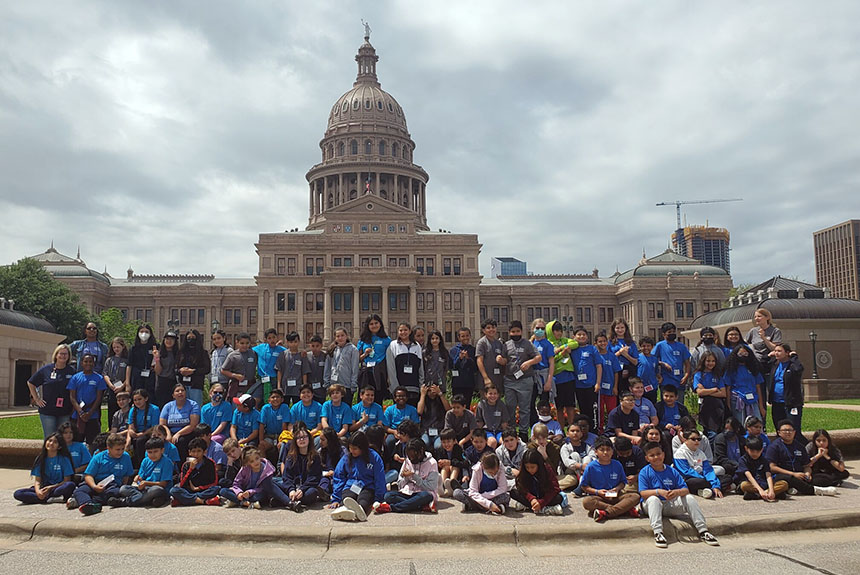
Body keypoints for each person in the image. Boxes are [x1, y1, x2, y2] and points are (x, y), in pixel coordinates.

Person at [638, 441, 719, 548]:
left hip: (669, 504)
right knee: (653, 499)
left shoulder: (672, 471)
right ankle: (658, 533)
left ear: (663, 454)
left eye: (658, 453)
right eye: (652, 455)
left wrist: (676, 492)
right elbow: (643, 493)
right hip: (651, 506)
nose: (656, 457)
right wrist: (658, 492)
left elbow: (685, 490)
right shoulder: (645, 472)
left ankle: (703, 531)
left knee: (689, 498)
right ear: (647, 458)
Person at [67, 433, 134, 515]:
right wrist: (94, 486)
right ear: (108, 448)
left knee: (115, 493)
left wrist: (123, 484)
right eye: (117, 449)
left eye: (122, 449)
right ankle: (87, 504)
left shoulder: (126, 457)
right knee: (80, 491)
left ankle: (86, 501)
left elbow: (127, 475)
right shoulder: (98, 457)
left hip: (112, 485)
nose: (120, 452)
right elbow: (88, 475)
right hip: (96, 482)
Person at [327, 431, 386, 522]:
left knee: (363, 500)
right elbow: (339, 476)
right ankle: (345, 509)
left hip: (367, 487)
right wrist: (336, 498)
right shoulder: (347, 457)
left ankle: (360, 511)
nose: (352, 451)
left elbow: (380, 478)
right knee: (347, 498)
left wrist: (379, 498)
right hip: (351, 486)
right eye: (350, 448)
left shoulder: (374, 457)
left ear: (362, 448)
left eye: (355, 449)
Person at [767, 420, 837, 496]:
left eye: (790, 430)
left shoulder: (800, 446)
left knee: (826, 479)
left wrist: (807, 474)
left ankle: (795, 488)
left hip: (800, 475)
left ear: (794, 432)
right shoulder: (774, 447)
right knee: (789, 479)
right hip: (783, 475)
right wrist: (793, 474)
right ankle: (815, 490)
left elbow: (806, 465)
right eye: (785, 430)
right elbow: (772, 467)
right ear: (779, 432)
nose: (788, 432)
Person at [579, 436, 640, 522]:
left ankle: (605, 513)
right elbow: (584, 486)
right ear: (596, 452)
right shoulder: (591, 467)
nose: (605, 452)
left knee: (635, 496)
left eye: (608, 449)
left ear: (612, 451)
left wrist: (617, 489)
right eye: (602, 449)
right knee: (587, 502)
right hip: (600, 498)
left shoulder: (617, 464)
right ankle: (621, 510)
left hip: (616, 496)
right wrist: (597, 491)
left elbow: (623, 482)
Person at [500, 320, 541, 441]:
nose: (515, 333)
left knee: (524, 408)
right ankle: (512, 432)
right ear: (509, 332)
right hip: (510, 380)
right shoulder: (506, 345)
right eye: (513, 331)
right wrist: (500, 360)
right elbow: (503, 360)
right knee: (510, 407)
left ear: (521, 332)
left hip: (525, 380)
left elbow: (538, 357)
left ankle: (523, 433)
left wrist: (529, 362)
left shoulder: (527, 344)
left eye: (517, 331)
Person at [376, 438, 439, 514]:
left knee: (426, 496)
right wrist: (405, 478)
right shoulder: (407, 461)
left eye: (414, 456)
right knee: (388, 496)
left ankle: (391, 508)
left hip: (422, 494)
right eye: (409, 456)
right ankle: (421, 506)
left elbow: (431, 486)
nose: (411, 459)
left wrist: (413, 476)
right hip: (407, 493)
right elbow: (400, 484)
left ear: (421, 451)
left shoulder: (432, 463)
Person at [270, 422, 323, 511]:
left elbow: (314, 478)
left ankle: (283, 500)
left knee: (313, 493)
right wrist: (291, 490)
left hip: (305, 489)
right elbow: (287, 476)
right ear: (295, 441)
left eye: (304, 437)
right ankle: (290, 501)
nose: (301, 440)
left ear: (309, 439)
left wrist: (302, 490)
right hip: (291, 487)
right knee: (270, 482)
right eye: (298, 438)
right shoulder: (291, 457)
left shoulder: (315, 456)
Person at [108, 437, 172, 507]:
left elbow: (163, 484)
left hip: (158, 488)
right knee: (123, 489)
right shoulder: (145, 461)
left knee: (156, 490)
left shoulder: (167, 462)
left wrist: (146, 483)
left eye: (155, 451)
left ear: (162, 450)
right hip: (144, 489)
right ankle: (147, 500)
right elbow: (140, 478)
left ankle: (124, 501)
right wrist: (138, 480)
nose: (153, 455)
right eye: (150, 452)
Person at [14, 432, 75, 505]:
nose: (51, 443)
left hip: (56, 488)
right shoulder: (41, 458)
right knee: (18, 493)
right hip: (43, 487)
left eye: (55, 442)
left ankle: (42, 498)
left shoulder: (64, 459)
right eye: (49, 441)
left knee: (70, 485)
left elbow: (66, 480)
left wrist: (50, 488)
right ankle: (45, 498)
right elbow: (37, 481)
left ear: (59, 446)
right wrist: (38, 492)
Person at [27, 343, 74, 438]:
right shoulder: (46, 370)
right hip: (48, 411)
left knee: (63, 438)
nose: (63, 356)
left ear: (69, 356)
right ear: (56, 355)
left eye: (65, 354)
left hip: (65, 411)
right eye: (61, 353)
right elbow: (31, 382)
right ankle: (49, 453)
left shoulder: (72, 371)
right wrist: (37, 399)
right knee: (50, 437)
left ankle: (61, 453)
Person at [673, 430, 731, 498]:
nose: (697, 441)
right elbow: (686, 472)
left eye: (699, 439)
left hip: (702, 477)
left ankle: (708, 491)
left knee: (728, 478)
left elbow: (708, 470)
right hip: (689, 479)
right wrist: (706, 479)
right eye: (693, 439)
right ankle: (714, 489)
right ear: (685, 440)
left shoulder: (701, 453)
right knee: (698, 482)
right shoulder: (680, 453)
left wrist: (715, 484)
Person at [508, 448, 564, 515]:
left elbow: (555, 489)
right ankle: (543, 509)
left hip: (544, 496)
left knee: (559, 498)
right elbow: (521, 486)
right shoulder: (524, 471)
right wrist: (531, 499)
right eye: (527, 467)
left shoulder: (547, 469)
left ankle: (534, 507)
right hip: (531, 496)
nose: (530, 470)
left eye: (532, 467)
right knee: (513, 493)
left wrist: (541, 502)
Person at [546, 320, 579, 428]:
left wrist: (560, 348)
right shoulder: (548, 344)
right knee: (559, 407)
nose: (559, 333)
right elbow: (550, 359)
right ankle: (560, 431)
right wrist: (562, 353)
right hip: (556, 378)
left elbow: (575, 343)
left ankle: (572, 428)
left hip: (568, 377)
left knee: (570, 406)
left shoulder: (564, 340)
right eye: (556, 331)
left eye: (560, 331)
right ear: (550, 331)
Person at [66, 354, 106, 445]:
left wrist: (90, 413)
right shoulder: (75, 378)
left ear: (94, 363)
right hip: (77, 415)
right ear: (82, 363)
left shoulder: (99, 378)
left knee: (93, 442)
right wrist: (80, 412)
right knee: (76, 441)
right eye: (86, 361)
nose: (88, 363)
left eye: (90, 361)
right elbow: (72, 397)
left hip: (93, 415)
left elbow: (99, 397)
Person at [169, 437, 221, 506]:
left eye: (199, 451)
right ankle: (204, 501)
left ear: (204, 451)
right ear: (189, 452)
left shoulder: (210, 463)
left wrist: (198, 488)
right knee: (174, 490)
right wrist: (190, 469)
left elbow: (214, 482)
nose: (196, 454)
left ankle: (184, 500)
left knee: (216, 489)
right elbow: (182, 484)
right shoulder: (186, 465)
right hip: (189, 490)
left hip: (203, 490)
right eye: (193, 451)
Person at [746, 307, 782, 407]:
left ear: (767, 317)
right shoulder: (753, 331)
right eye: (755, 317)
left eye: (759, 316)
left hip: (770, 365)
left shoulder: (775, 331)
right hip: (757, 365)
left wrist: (763, 338)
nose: (756, 319)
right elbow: (745, 345)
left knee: (771, 390)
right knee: (759, 391)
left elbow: (775, 348)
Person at [735, 435, 788, 501]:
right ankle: (767, 494)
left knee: (784, 484)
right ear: (746, 449)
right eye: (752, 451)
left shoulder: (764, 460)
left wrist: (771, 490)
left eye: (758, 451)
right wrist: (760, 490)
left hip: (764, 484)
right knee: (744, 485)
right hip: (752, 484)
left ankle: (758, 495)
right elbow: (749, 476)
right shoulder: (743, 460)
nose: (755, 454)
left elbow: (768, 475)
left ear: (762, 449)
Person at [724, 344, 766, 424]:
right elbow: (728, 388)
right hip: (737, 400)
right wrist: (728, 405)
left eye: (745, 354)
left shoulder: (753, 369)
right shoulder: (731, 370)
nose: (743, 356)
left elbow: (758, 387)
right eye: (740, 354)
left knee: (756, 422)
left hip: (753, 399)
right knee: (740, 423)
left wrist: (761, 406)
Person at [570, 325, 602, 431]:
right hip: (578, 385)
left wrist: (598, 383)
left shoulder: (592, 349)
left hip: (591, 384)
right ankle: (584, 430)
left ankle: (593, 430)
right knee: (582, 409)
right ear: (574, 337)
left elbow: (598, 366)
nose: (581, 336)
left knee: (592, 409)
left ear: (587, 337)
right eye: (579, 335)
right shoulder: (572, 350)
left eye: (583, 334)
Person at [159, 382, 201, 459]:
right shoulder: (168, 406)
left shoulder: (193, 405)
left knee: (180, 441)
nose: (180, 392)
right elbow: (162, 424)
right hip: (170, 432)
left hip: (187, 433)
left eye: (182, 390)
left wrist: (178, 434)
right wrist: (168, 434)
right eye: (177, 391)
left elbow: (193, 425)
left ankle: (181, 465)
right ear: (173, 395)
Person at [769, 343, 804, 435]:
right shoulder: (775, 365)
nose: (776, 353)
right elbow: (761, 366)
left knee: (793, 430)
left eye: (779, 351)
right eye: (775, 351)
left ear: (787, 353)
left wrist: (794, 357)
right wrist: (768, 356)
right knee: (779, 430)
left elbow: (798, 369)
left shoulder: (792, 365)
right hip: (777, 403)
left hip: (791, 403)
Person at [387, 322, 424, 406]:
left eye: (405, 330)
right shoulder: (393, 345)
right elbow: (391, 368)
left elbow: (420, 368)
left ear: (410, 331)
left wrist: (421, 385)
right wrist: (395, 388)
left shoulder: (417, 345)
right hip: (399, 389)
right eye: (401, 330)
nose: (403, 332)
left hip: (414, 388)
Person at [356, 314, 391, 404]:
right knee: (364, 398)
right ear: (368, 326)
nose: (374, 325)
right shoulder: (362, 340)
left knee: (378, 398)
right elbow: (357, 359)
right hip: (366, 373)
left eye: (376, 323)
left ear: (380, 324)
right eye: (371, 324)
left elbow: (389, 358)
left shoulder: (386, 340)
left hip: (380, 373)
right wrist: (365, 354)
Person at [692, 351, 726, 442]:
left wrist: (706, 390)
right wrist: (714, 389)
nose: (710, 363)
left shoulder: (718, 375)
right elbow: (699, 392)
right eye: (708, 361)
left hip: (718, 407)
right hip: (705, 407)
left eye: (713, 361)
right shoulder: (698, 375)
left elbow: (723, 393)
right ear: (703, 361)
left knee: (717, 433)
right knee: (709, 433)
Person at [529, 318, 555, 426]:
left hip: (543, 375)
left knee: (544, 403)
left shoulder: (547, 344)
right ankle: (534, 425)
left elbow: (551, 363)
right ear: (533, 329)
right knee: (530, 402)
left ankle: (546, 426)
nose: (540, 330)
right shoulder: (530, 343)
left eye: (542, 328)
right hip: (532, 376)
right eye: (537, 328)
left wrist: (549, 381)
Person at [595, 331, 622, 434]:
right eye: (600, 341)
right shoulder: (595, 355)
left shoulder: (612, 356)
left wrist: (615, 387)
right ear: (596, 343)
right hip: (599, 389)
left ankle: (612, 430)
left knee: (612, 410)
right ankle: (600, 430)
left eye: (604, 341)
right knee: (600, 411)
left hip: (610, 388)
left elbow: (616, 372)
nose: (602, 343)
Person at [126, 388, 160, 466]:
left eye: (139, 399)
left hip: (149, 433)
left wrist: (141, 434)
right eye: (135, 400)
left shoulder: (154, 409)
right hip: (136, 434)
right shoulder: (133, 410)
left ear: (146, 398)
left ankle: (141, 465)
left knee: (140, 441)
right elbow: (130, 427)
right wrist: (128, 440)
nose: (137, 402)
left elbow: (154, 427)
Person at [325, 327, 360, 404]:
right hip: (334, 385)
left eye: (342, 335)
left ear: (346, 336)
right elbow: (327, 368)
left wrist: (353, 385)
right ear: (335, 338)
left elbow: (355, 368)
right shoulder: (332, 349)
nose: (340, 338)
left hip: (346, 386)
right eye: (338, 336)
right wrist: (327, 383)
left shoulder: (353, 349)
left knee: (346, 408)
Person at [220, 332, 259, 401]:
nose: (245, 345)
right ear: (237, 343)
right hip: (237, 386)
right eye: (242, 343)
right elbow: (223, 370)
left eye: (247, 343)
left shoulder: (253, 354)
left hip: (250, 385)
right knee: (236, 406)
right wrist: (235, 375)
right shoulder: (232, 355)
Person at [653, 322, 691, 393]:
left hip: (679, 381)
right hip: (665, 381)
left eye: (673, 331)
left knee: (679, 403)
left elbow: (687, 363)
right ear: (664, 334)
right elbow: (652, 360)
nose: (672, 333)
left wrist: (686, 376)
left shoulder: (681, 346)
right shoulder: (660, 345)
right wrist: (662, 364)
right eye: (669, 332)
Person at [176, 329, 210, 406]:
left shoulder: (203, 353)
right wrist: (181, 370)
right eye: (189, 338)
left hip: (196, 385)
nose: (190, 340)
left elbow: (207, 369)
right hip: (183, 385)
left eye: (193, 338)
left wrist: (193, 371)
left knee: (195, 408)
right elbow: (175, 368)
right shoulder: (181, 353)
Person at [275, 331, 310, 406]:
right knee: (284, 406)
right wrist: (279, 386)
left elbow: (304, 372)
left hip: (297, 387)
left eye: (295, 341)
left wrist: (304, 386)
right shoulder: (283, 355)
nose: (293, 344)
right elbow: (279, 371)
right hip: (285, 387)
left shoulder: (302, 356)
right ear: (287, 342)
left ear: (299, 342)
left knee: (297, 406)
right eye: (291, 342)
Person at [101, 337, 129, 425]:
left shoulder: (127, 360)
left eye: (118, 347)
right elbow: (105, 374)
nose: (116, 349)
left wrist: (122, 386)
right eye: (114, 347)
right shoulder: (109, 360)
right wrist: (110, 385)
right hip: (112, 389)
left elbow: (128, 376)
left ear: (123, 347)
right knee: (112, 411)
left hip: (122, 388)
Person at [253, 328, 286, 402]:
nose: (272, 340)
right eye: (269, 338)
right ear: (266, 339)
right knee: (256, 400)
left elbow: (291, 353)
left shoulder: (282, 350)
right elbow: (248, 350)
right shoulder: (260, 348)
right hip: (262, 379)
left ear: (277, 337)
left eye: (274, 337)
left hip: (274, 379)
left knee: (273, 400)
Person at [558, 424, 594, 491]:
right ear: (567, 434)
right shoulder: (565, 447)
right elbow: (566, 461)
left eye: (577, 431)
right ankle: (583, 483)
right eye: (572, 431)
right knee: (575, 455)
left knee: (587, 458)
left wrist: (585, 467)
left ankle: (582, 482)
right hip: (571, 473)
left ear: (581, 434)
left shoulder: (587, 446)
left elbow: (593, 457)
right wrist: (581, 466)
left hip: (585, 471)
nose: (575, 433)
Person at [608, 318, 639, 396]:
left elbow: (635, 362)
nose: (620, 330)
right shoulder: (610, 342)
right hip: (614, 371)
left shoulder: (631, 343)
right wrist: (619, 352)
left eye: (622, 327)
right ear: (614, 329)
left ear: (626, 328)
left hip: (628, 371)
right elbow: (607, 359)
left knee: (627, 393)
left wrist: (626, 355)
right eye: (617, 328)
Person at [476, 318, 506, 397]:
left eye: (493, 327)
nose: (491, 330)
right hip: (486, 380)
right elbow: (479, 360)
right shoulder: (482, 342)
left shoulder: (499, 343)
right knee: (486, 403)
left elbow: (505, 359)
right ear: (483, 330)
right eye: (488, 328)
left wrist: (502, 360)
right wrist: (485, 378)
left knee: (497, 403)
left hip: (497, 379)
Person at [475, 383, 509, 449]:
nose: (493, 396)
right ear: (485, 394)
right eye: (490, 393)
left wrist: (506, 433)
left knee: (504, 441)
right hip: (487, 431)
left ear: (498, 395)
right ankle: (489, 457)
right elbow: (479, 421)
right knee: (492, 441)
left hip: (499, 431)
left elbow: (504, 422)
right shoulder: (481, 405)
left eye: (495, 393)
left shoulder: (501, 405)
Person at [259, 388, 291, 459]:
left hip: (280, 435)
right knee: (261, 446)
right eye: (273, 397)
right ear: (269, 400)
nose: (275, 399)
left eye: (278, 397)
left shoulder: (285, 407)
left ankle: (281, 467)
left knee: (282, 446)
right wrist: (261, 440)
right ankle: (265, 468)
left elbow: (284, 425)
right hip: (269, 436)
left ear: (282, 399)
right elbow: (261, 424)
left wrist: (282, 439)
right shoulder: (265, 408)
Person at [435, 428, 468, 496]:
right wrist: (439, 465)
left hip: (457, 473)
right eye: (444, 442)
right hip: (446, 471)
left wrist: (451, 462)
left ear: (454, 441)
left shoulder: (458, 449)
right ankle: (443, 486)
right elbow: (437, 464)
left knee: (454, 467)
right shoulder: (440, 450)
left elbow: (465, 463)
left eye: (449, 441)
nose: (446, 444)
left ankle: (451, 485)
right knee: (445, 467)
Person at [449, 326, 479, 401]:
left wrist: (468, 359)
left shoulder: (473, 350)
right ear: (459, 338)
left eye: (467, 336)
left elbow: (475, 368)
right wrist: (460, 358)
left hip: (469, 383)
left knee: (467, 404)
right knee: (457, 403)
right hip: (457, 383)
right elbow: (452, 366)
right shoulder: (453, 350)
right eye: (463, 336)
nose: (465, 338)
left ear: (470, 336)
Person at [128, 325, 158, 398]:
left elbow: (157, 362)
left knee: (150, 397)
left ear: (150, 334)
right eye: (141, 331)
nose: (144, 334)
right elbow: (129, 366)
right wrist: (127, 383)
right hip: (137, 377)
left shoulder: (155, 346)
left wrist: (156, 356)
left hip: (150, 377)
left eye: (146, 332)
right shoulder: (133, 348)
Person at [417, 382, 448, 450]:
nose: (432, 392)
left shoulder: (441, 401)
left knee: (438, 446)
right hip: (426, 431)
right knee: (424, 443)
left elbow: (448, 409)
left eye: (434, 389)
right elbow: (419, 411)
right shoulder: (423, 401)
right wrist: (423, 395)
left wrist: (440, 393)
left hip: (439, 431)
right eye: (429, 390)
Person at [153, 331, 179, 408]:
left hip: (173, 382)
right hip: (162, 382)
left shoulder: (178, 354)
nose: (169, 341)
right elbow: (157, 371)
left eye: (172, 339)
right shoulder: (159, 353)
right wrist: (157, 359)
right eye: (167, 339)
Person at [318, 427, 346, 496]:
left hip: (338, 477)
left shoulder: (342, 451)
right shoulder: (321, 451)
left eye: (323, 440)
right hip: (325, 476)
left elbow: (346, 469)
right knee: (324, 480)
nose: (320, 442)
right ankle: (323, 492)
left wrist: (334, 473)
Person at [635, 336, 662, 404]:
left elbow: (656, 371)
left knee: (652, 405)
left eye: (648, 346)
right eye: (643, 346)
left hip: (652, 387)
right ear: (640, 347)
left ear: (652, 347)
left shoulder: (655, 359)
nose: (646, 348)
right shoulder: (637, 358)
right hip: (641, 387)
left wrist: (659, 378)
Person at [307, 335, 328, 403]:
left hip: (321, 389)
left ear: (321, 345)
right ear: (309, 346)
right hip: (310, 388)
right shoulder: (306, 356)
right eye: (313, 346)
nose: (315, 348)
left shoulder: (325, 356)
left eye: (317, 346)